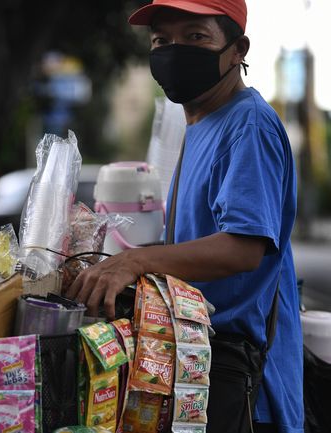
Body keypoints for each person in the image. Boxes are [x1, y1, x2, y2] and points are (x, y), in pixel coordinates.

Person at [64, 1, 304, 432]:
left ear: (237, 49)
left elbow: (244, 247)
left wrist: (136, 261)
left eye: (195, 37)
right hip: (200, 367)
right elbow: (190, 248)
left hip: (244, 385)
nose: (175, 51)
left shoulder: (247, 124)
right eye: (162, 41)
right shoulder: (203, 123)